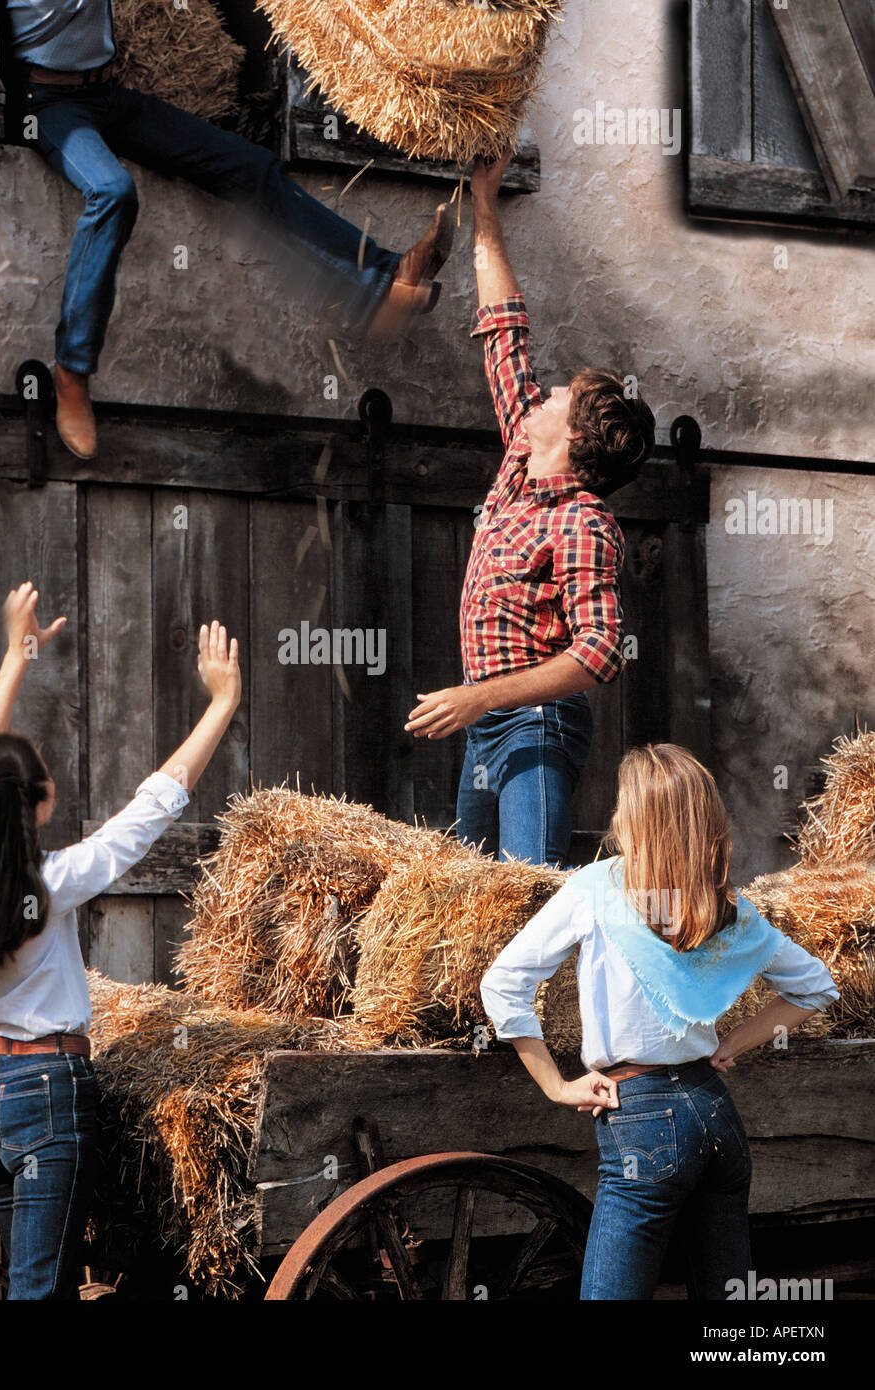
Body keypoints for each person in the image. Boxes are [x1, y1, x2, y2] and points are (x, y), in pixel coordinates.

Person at [0, 582, 242, 1299]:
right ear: (37, 804)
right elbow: (149, 812)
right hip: (46, 1099)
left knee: (34, 1285)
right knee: (38, 1295)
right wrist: (221, 704)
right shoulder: (47, 886)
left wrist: (17, 656)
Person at [2, 0, 456, 459]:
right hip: (43, 104)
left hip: (106, 96)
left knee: (250, 166)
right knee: (113, 192)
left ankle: (385, 278)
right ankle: (72, 370)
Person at [479, 743, 839, 1300]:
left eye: (623, 804)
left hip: (641, 1119)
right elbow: (815, 987)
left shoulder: (594, 890)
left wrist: (555, 1085)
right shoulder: (726, 907)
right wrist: (731, 1044)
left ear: (635, 817)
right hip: (714, 1109)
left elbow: (503, 982)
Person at [405, 148, 656, 868]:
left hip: (535, 725)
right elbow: (504, 332)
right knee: (471, 898)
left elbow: (600, 652)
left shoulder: (583, 521)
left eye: (558, 398)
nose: (541, 395)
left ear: (573, 435)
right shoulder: (522, 459)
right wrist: (485, 205)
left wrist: (483, 698)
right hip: (489, 725)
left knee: (526, 895)